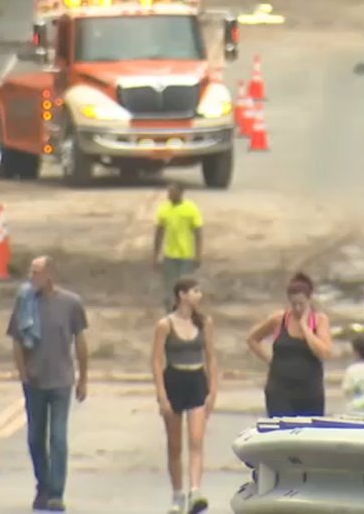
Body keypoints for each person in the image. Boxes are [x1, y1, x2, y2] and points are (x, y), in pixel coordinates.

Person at [6, 256, 89, 513]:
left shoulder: (71, 303)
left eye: (37, 272)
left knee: (58, 437)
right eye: (31, 272)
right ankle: (42, 483)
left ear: (50, 275)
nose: (32, 278)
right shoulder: (25, 301)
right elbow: (18, 339)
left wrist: (83, 377)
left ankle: (56, 491)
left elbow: (81, 340)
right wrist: (22, 372)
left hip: (61, 379)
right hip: (34, 379)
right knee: (35, 437)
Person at [151, 278, 218, 514]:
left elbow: (211, 356)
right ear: (182, 295)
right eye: (194, 291)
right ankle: (177, 493)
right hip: (174, 380)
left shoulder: (204, 323)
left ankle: (195, 491)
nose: (198, 296)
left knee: (197, 440)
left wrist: (213, 390)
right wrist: (161, 395)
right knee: (175, 444)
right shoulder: (165, 325)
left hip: (196, 380)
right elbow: (157, 360)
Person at [246, 272, 333, 417]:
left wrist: (305, 328)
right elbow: (252, 339)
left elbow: (325, 353)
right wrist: (271, 361)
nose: (298, 308)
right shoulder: (279, 319)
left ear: (309, 300)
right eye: (294, 305)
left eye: (301, 304)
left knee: (308, 436)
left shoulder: (319, 320)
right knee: (281, 432)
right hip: (279, 390)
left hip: (309, 391)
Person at [153, 183, 203, 312]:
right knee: (170, 288)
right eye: (168, 191)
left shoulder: (191, 209)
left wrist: (198, 254)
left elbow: (198, 232)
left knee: (187, 289)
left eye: (172, 191)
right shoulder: (164, 209)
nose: (169, 194)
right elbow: (159, 232)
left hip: (186, 256)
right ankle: (171, 314)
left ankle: (187, 313)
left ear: (181, 192)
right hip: (169, 256)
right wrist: (156, 255)